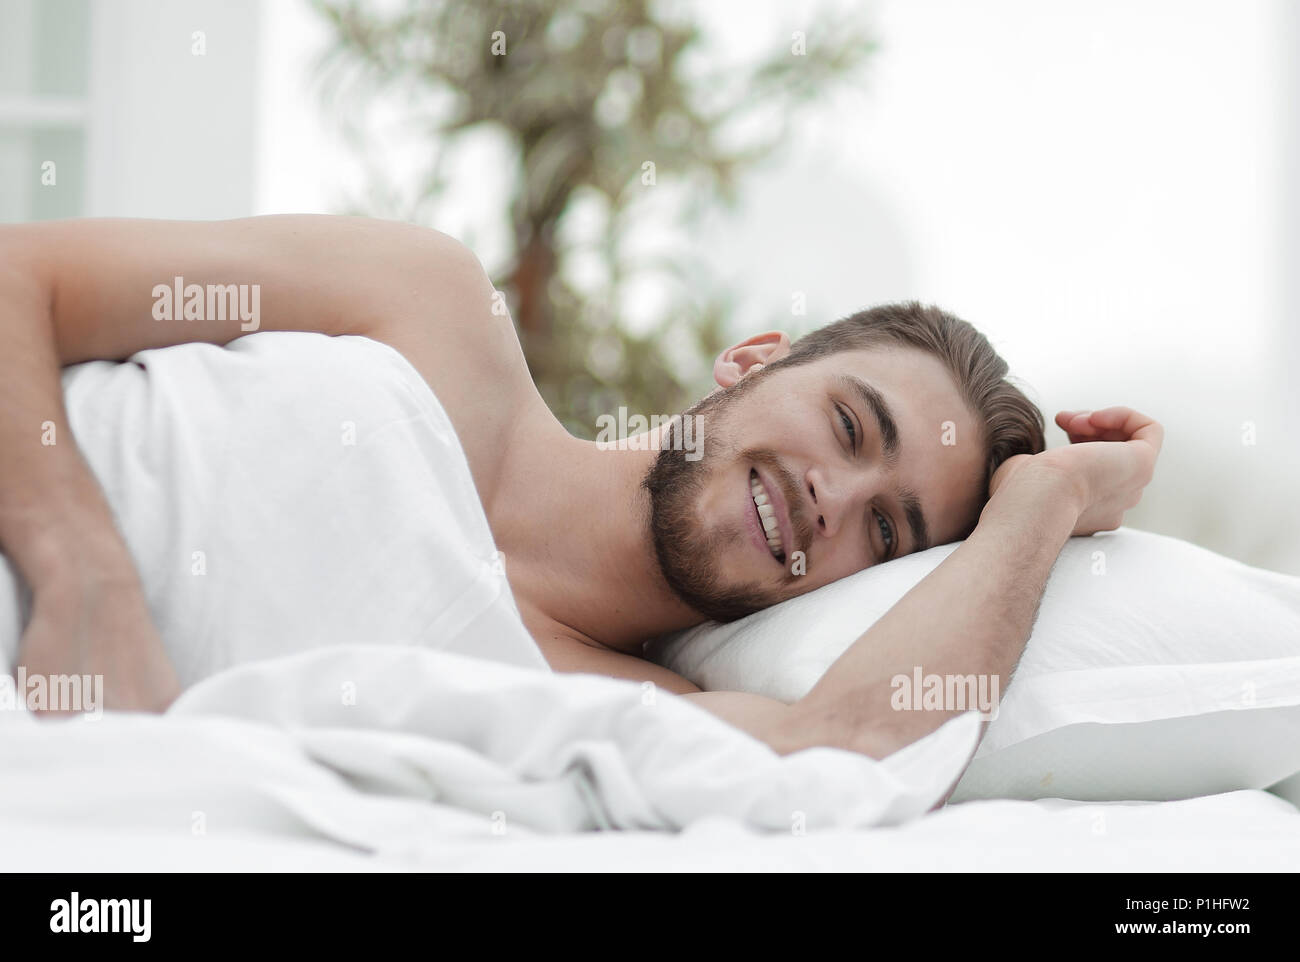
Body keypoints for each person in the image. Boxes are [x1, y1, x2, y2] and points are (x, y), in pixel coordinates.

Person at [0, 215, 1162, 760]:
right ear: (753, 357)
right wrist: (80, 571)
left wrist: (1045, 501)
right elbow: (19, 275)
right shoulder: (430, 303)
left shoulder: (609, 711)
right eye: (851, 426)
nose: (831, 497)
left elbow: (846, 737)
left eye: (888, 528)